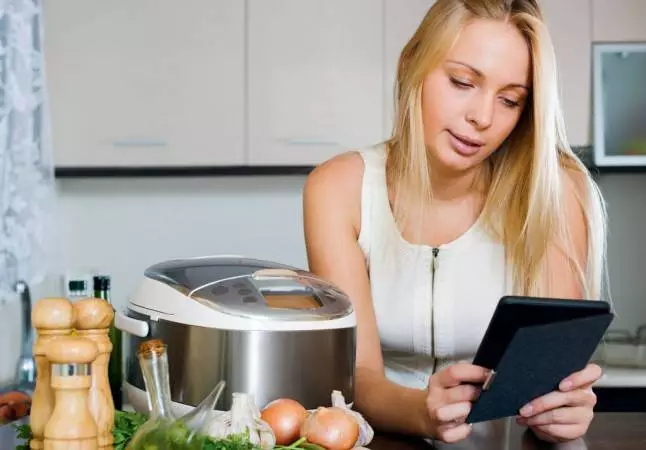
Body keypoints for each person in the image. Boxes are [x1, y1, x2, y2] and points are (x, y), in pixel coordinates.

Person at [302, 0, 608, 445]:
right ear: (412, 65)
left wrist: (566, 408)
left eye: (510, 100)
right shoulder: (338, 189)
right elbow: (359, 376)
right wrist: (421, 413)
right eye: (462, 82)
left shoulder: (555, 191)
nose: (482, 118)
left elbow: (555, 375)